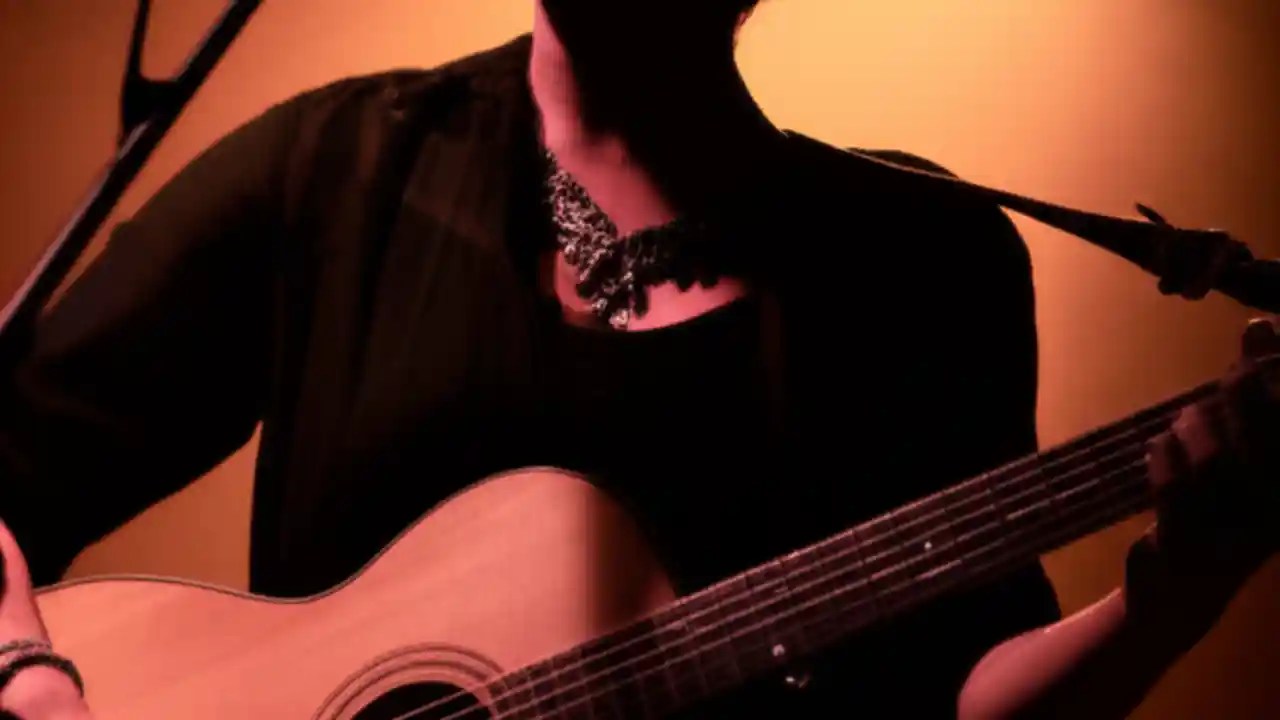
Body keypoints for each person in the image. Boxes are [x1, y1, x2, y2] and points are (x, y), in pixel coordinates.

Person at [0, 1, 1276, 717]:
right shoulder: (340, 169)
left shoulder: (923, 262)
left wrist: (1177, 592)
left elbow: (958, 691)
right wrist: (27, 670)